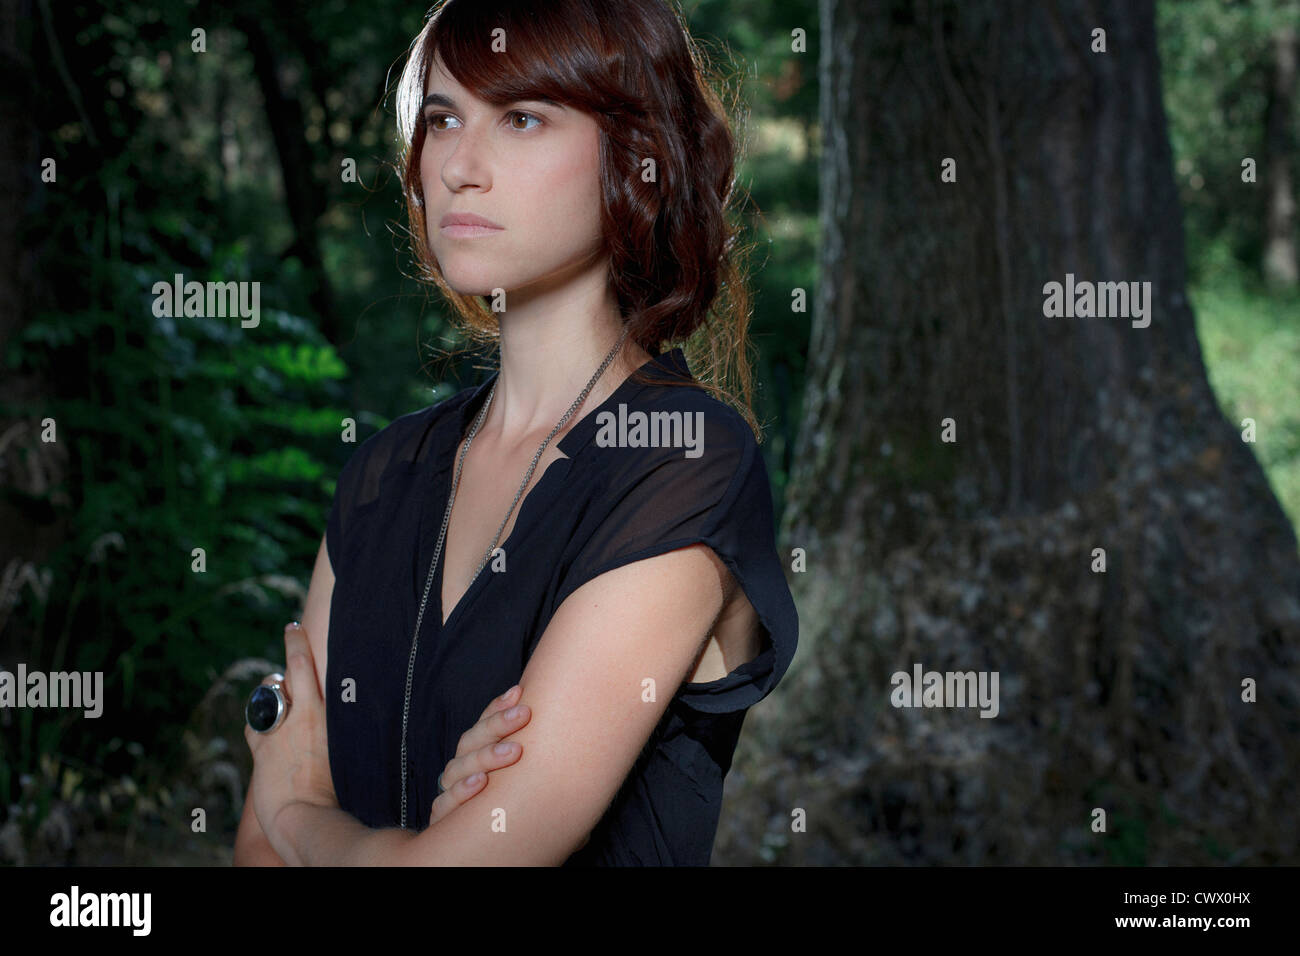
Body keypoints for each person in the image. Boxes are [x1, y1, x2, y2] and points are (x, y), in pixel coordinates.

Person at [234, 0, 798, 866]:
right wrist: (402, 833)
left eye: (522, 118)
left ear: (638, 157)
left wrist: (300, 806)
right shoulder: (385, 473)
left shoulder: (685, 462)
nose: (459, 165)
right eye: (443, 118)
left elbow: (369, 839)